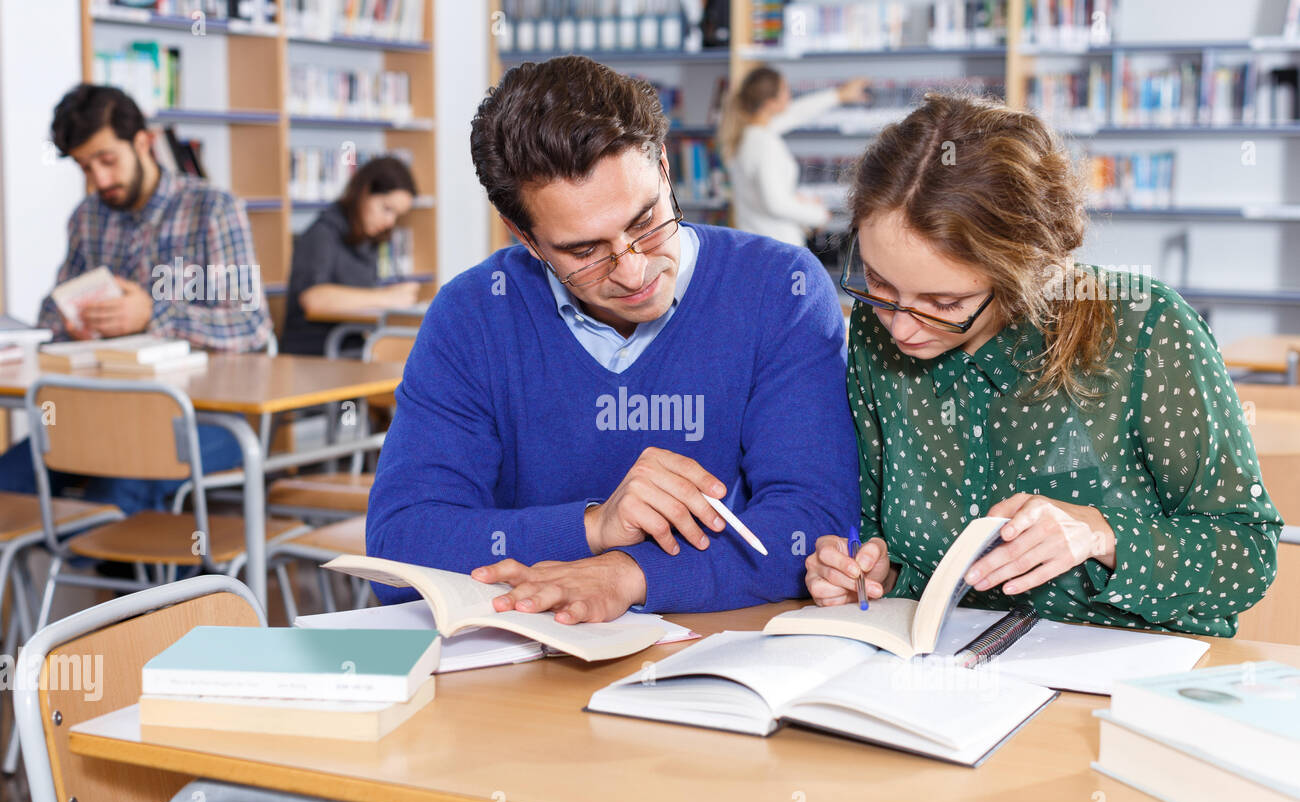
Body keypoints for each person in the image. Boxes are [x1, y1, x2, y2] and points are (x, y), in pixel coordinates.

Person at [365, 55, 859, 621]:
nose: (632, 270)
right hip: (522, 678)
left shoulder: (783, 291)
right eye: (584, 250)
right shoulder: (472, 315)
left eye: (646, 220)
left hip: (719, 665)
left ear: (666, 171)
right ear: (527, 239)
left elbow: (814, 527)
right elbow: (399, 549)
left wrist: (629, 574)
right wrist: (595, 527)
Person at [803, 93, 1280, 638]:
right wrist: (861, 571)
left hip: (1120, 682)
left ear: (1024, 271)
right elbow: (877, 539)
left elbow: (1248, 555)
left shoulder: (1146, 326)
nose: (902, 328)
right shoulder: (875, 329)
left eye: (945, 304)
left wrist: (1101, 534)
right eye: (879, 285)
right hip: (944, 676)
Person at [0, 84, 271, 515]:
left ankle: (159, 576)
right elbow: (50, 315)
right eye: (85, 167)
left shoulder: (213, 209)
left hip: (205, 417)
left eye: (107, 160)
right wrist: (71, 323)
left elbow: (252, 326)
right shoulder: (88, 217)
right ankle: (93, 567)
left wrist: (152, 312)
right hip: (103, 414)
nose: (99, 180)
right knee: (7, 481)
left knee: (115, 491)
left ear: (144, 143)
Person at [281, 156, 420, 355]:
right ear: (364, 193)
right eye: (386, 208)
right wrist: (386, 297)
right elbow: (313, 299)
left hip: (349, 347)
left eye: (396, 215)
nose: (390, 222)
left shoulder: (367, 241)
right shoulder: (321, 234)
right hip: (315, 355)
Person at [719, 67, 868, 248]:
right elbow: (775, 203)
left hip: (759, 241)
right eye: (785, 90)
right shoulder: (763, 144)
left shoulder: (747, 136)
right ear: (771, 102)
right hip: (778, 246)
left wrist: (839, 95)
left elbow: (795, 114)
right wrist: (818, 214)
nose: (789, 95)